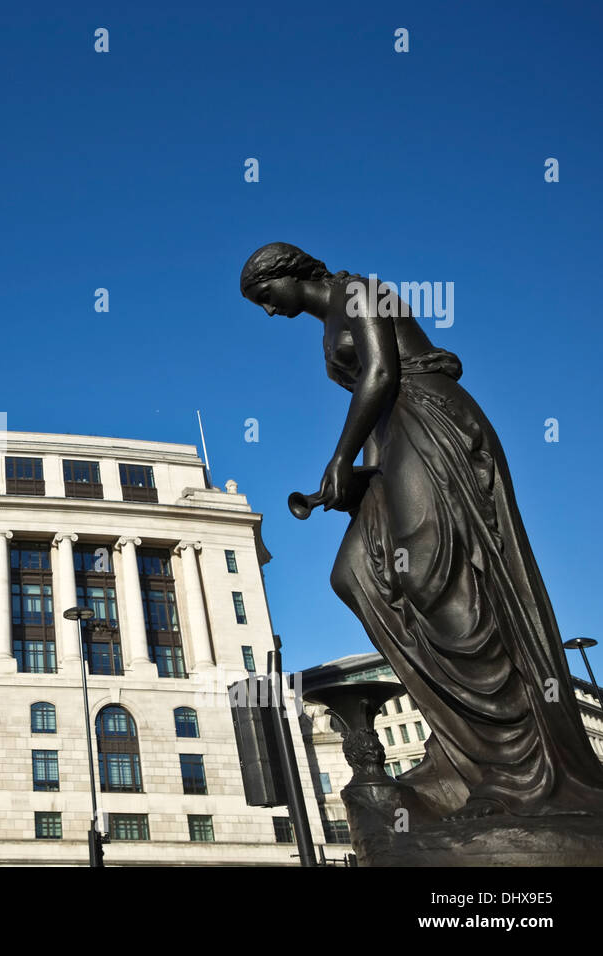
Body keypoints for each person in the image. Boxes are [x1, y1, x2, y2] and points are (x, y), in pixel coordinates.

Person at [240, 242, 603, 818]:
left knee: (435, 577)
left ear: (288, 273)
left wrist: (341, 457)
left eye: (266, 296)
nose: (268, 310)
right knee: (355, 574)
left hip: (426, 419)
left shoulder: (357, 291)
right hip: (392, 439)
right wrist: (360, 475)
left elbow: (382, 371)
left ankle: (515, 761)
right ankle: (460, 745)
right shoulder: (328, 318)